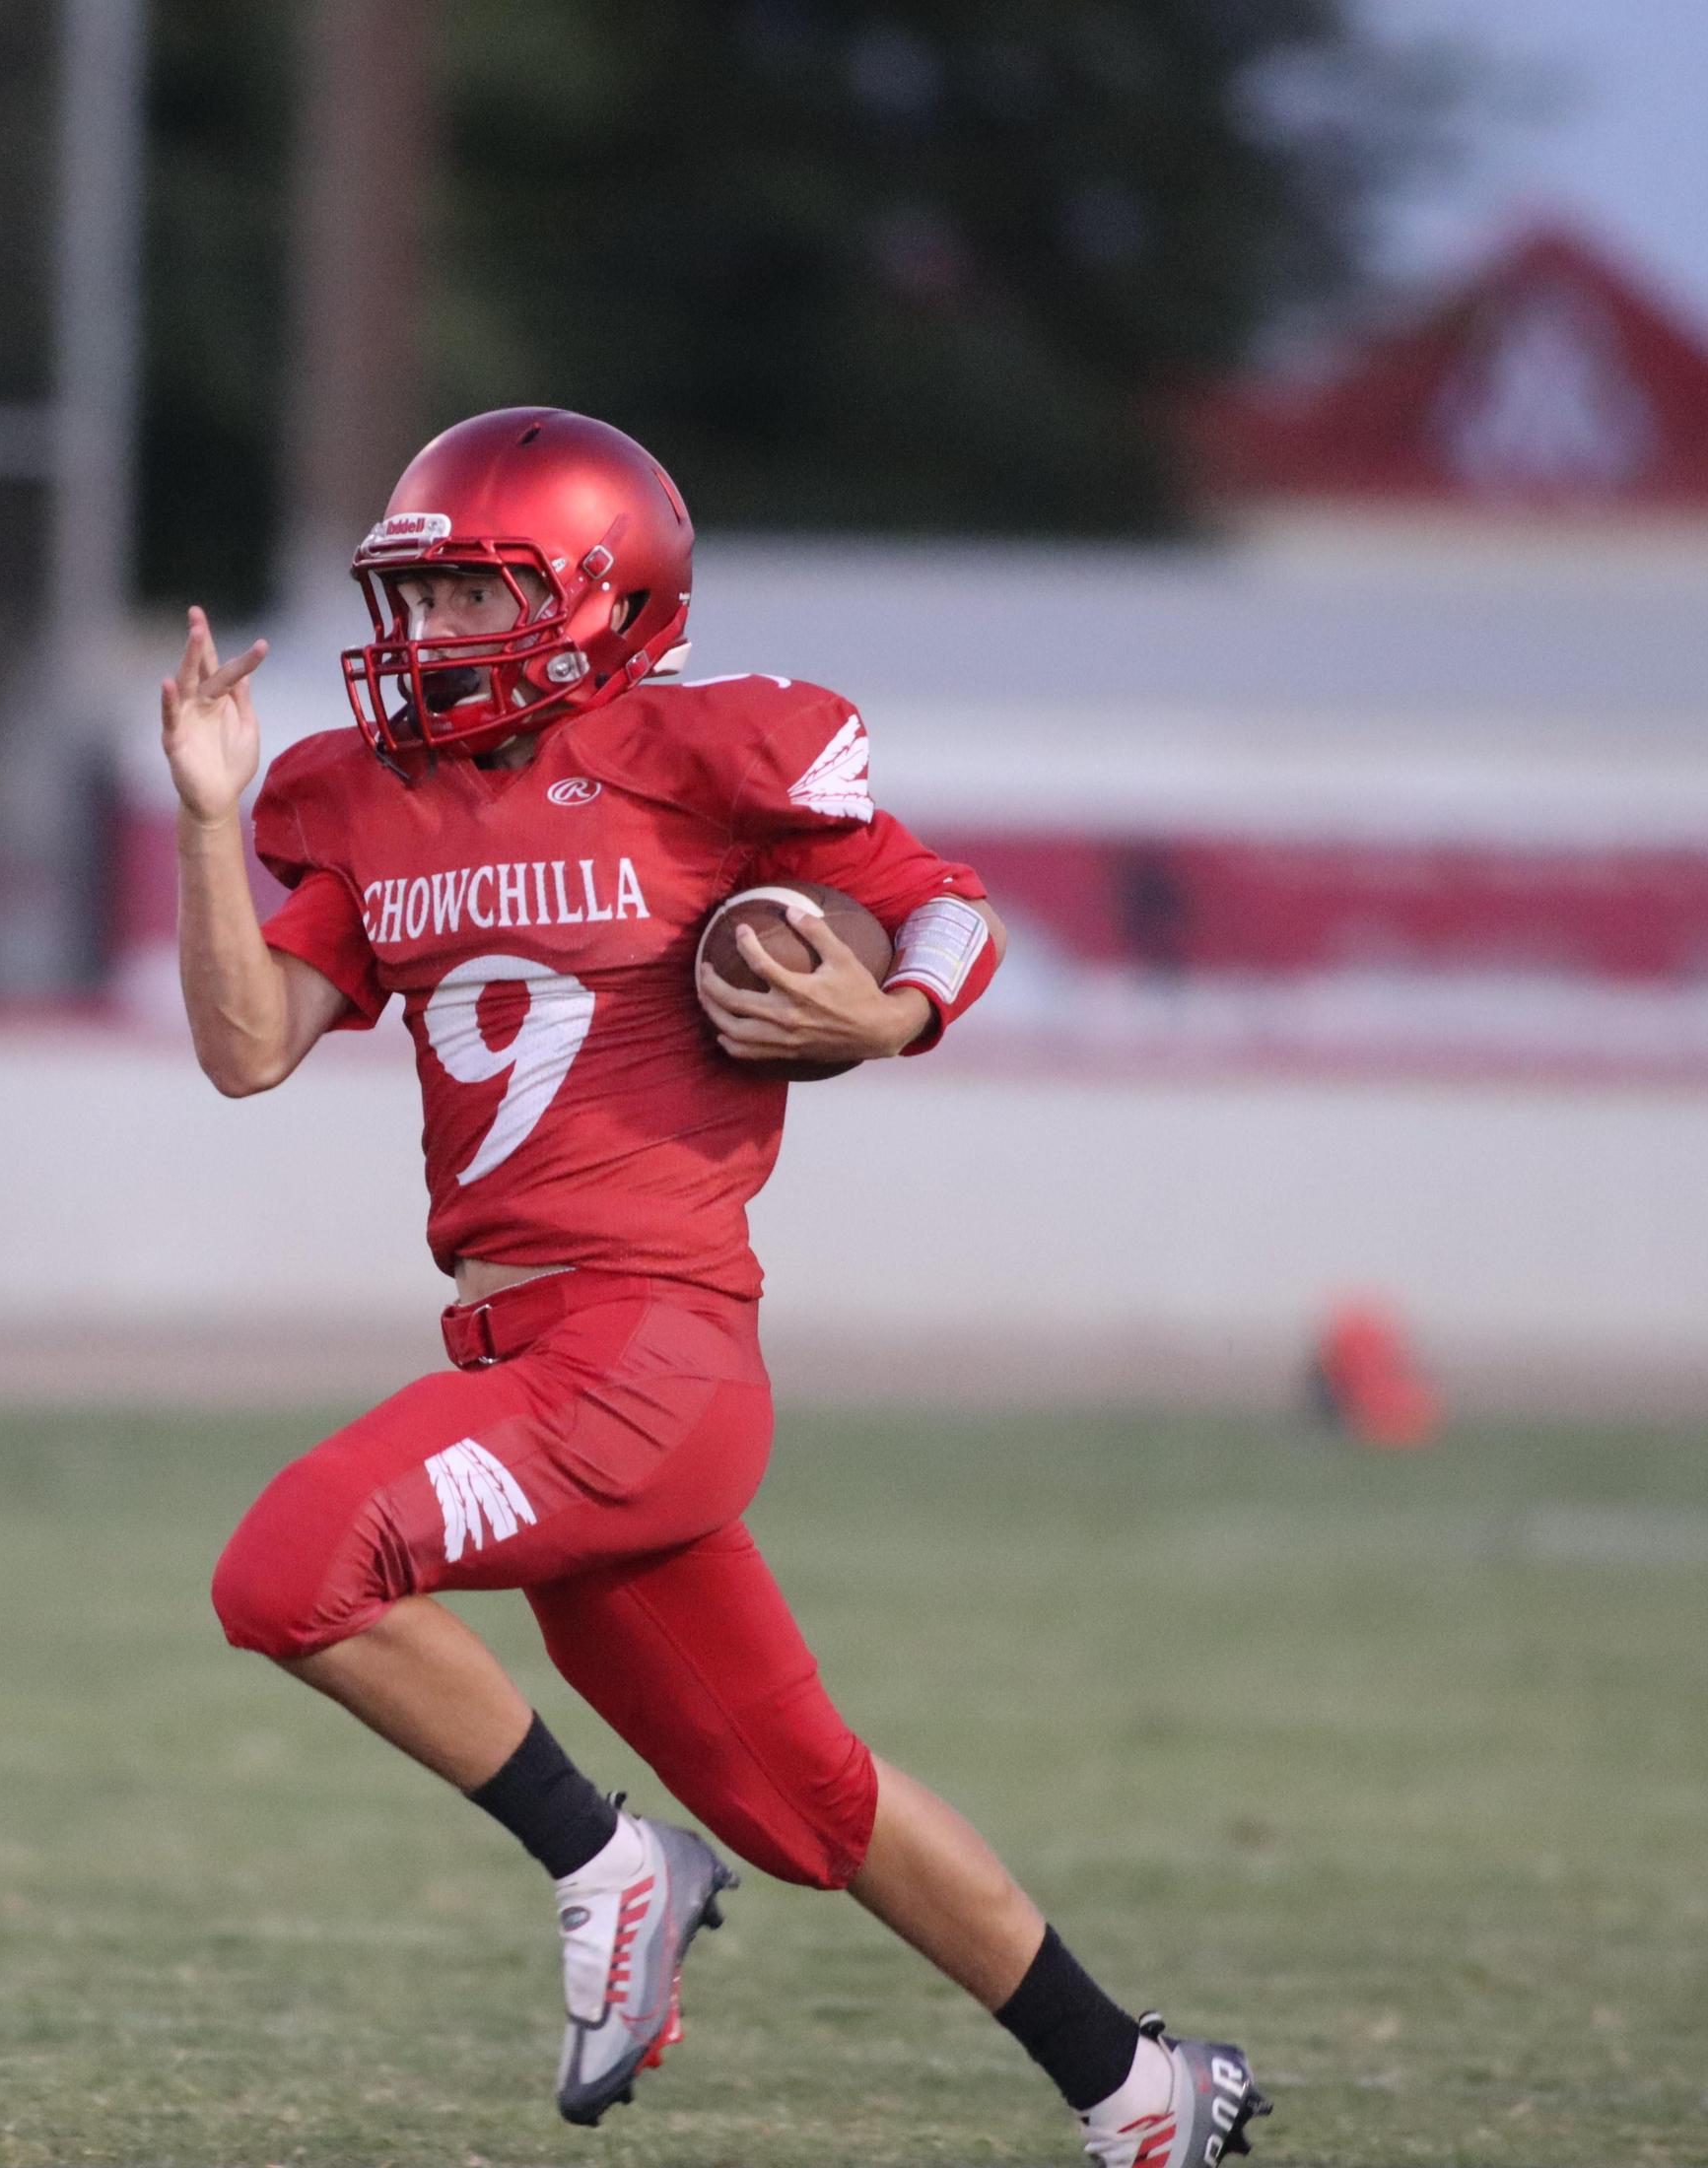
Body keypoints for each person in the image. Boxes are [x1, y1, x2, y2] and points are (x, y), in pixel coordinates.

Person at [165, 408, 1268, 2165]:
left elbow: (949, 910)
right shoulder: (359, 802)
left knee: (291, 1566)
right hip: (528, 1342)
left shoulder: (707, 754)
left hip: (649, 1349)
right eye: (422, 596)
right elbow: (243, 1050)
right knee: (806, 1802)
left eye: (474, 594)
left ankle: (609, 1862)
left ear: (608, 602)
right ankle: (1140, 2088)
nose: (432, 634)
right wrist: (212, 824)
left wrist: (894, 1012)